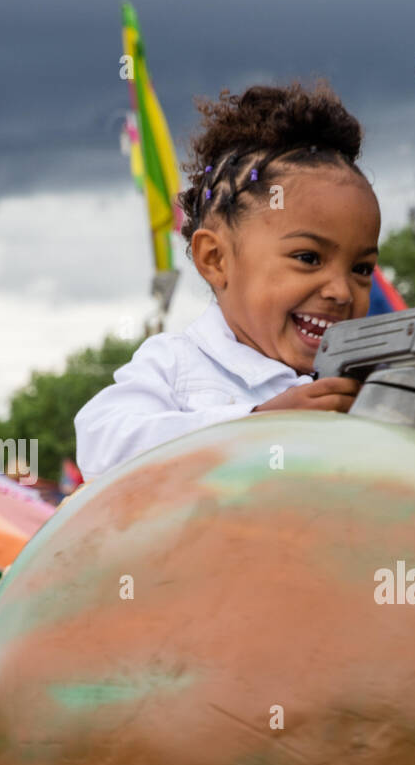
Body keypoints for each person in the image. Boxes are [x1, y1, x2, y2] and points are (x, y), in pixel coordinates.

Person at [74, 79, 381, 480]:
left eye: (361, 269)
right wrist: (256, 423)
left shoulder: (366, 383)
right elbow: (103, 444)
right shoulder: (177, 365)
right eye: (308, 258)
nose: (341, 291)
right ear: (215, 259)